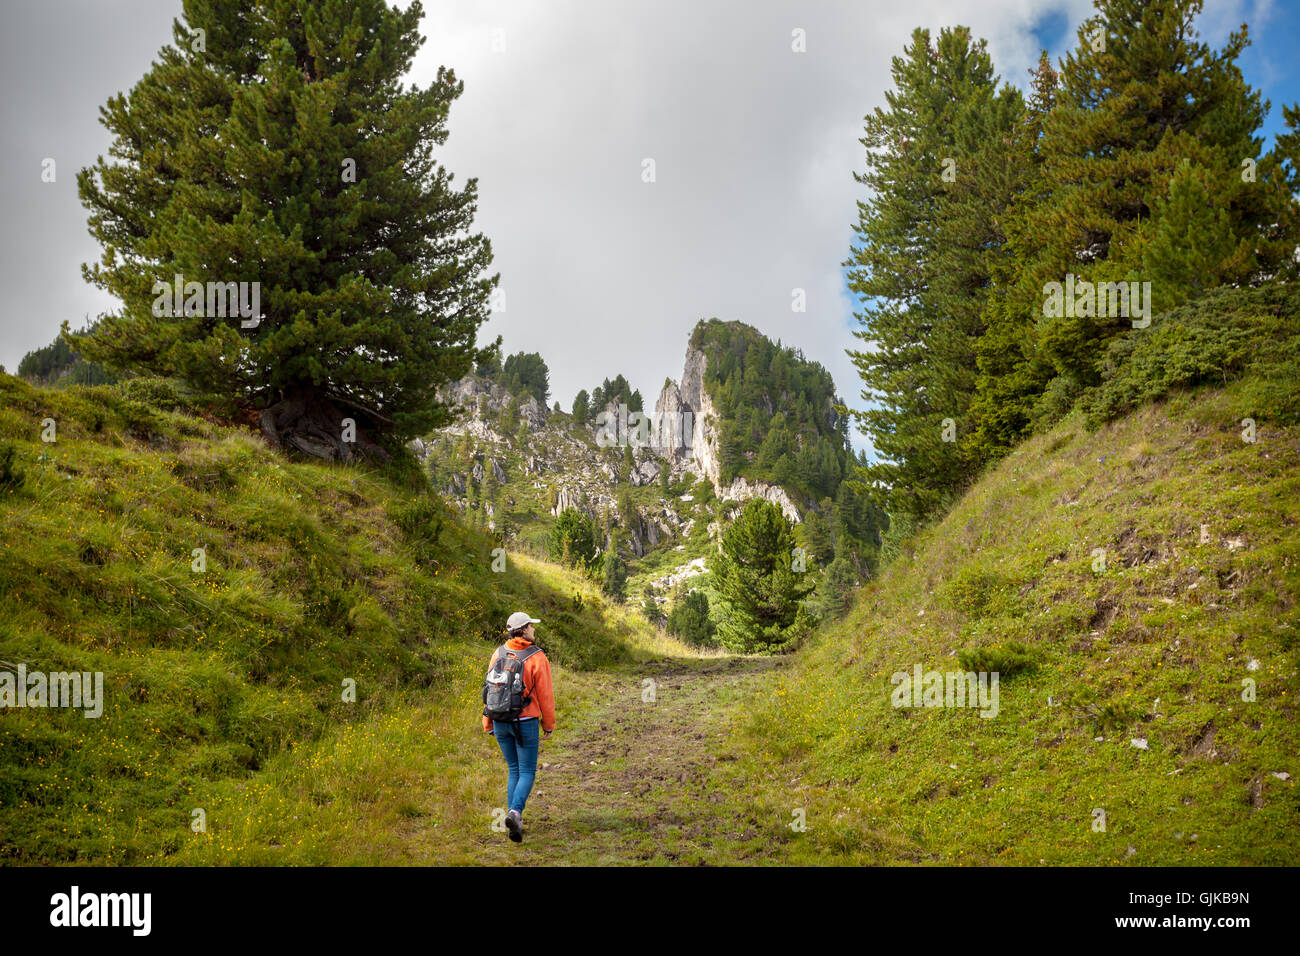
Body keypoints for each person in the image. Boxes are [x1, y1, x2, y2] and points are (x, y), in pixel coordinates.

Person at [482, 611, 555, 843]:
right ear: (523, 629)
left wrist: (488, 721)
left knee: (514, 769)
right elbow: (545, 695)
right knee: (527, 771)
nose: (534, 629)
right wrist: (549, 723)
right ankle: (514, 812)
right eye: (531, 626)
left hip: (501, 720)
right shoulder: (537, 657)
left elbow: (489, 689)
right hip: (525, 722)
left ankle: (516, 820)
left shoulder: (498, 653)